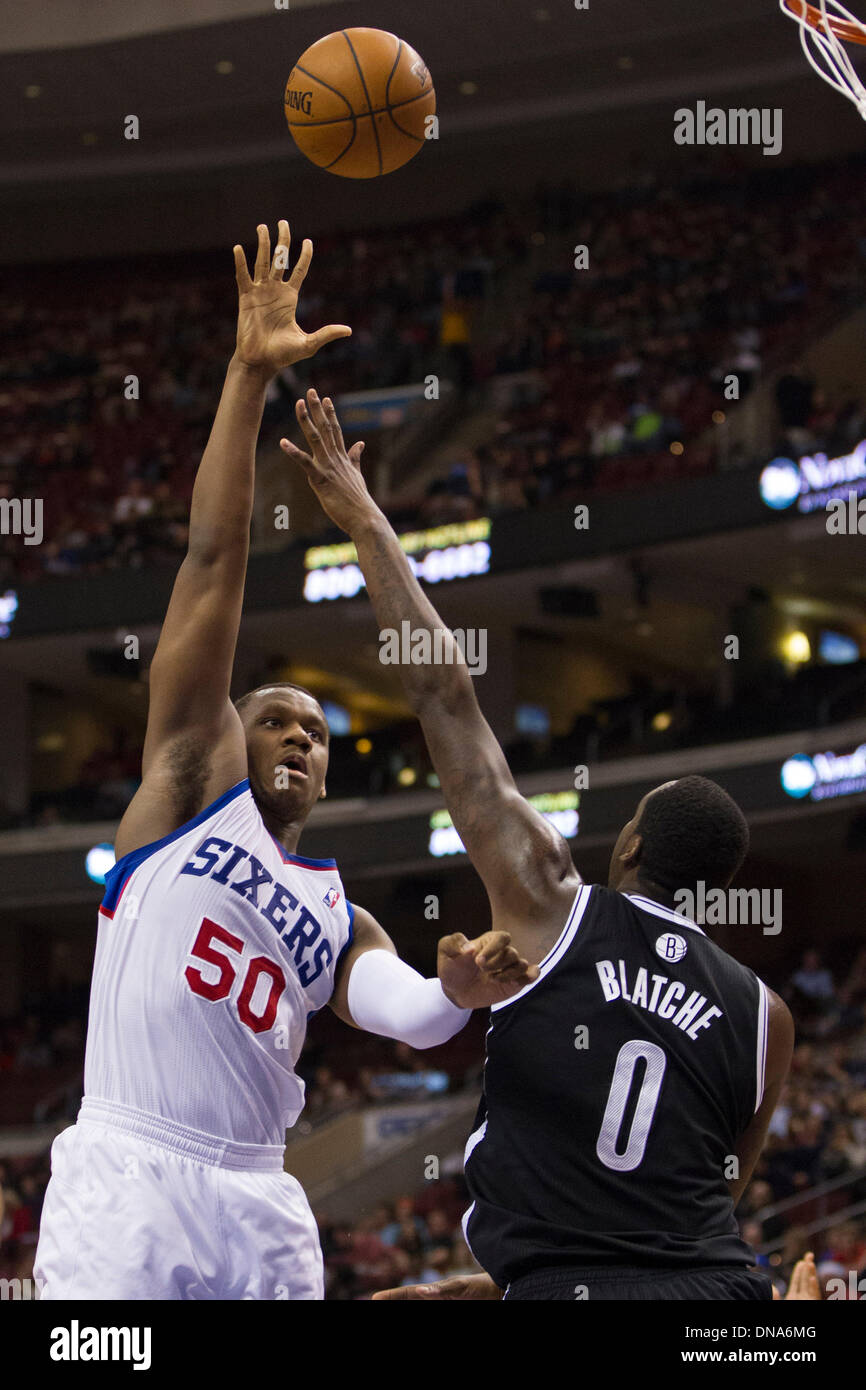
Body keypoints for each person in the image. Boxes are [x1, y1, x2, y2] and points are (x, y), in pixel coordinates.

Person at [34, 224, 536, 1303]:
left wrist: (453, 987)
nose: (303, 736)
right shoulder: (180, 794)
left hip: (261, 1201)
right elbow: (213, 557)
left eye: (317, 729)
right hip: (133, 1168)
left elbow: (406, 1011)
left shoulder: (331, 911)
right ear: (226, 734)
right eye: (278, 719)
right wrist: (247, 375)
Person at [280, 389, 795, 1302]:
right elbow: (698, 1205)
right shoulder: (768, 1018)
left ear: (629, 843)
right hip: (720, 1299)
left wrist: (364, 516)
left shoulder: (552, 899)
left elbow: (443, 692)